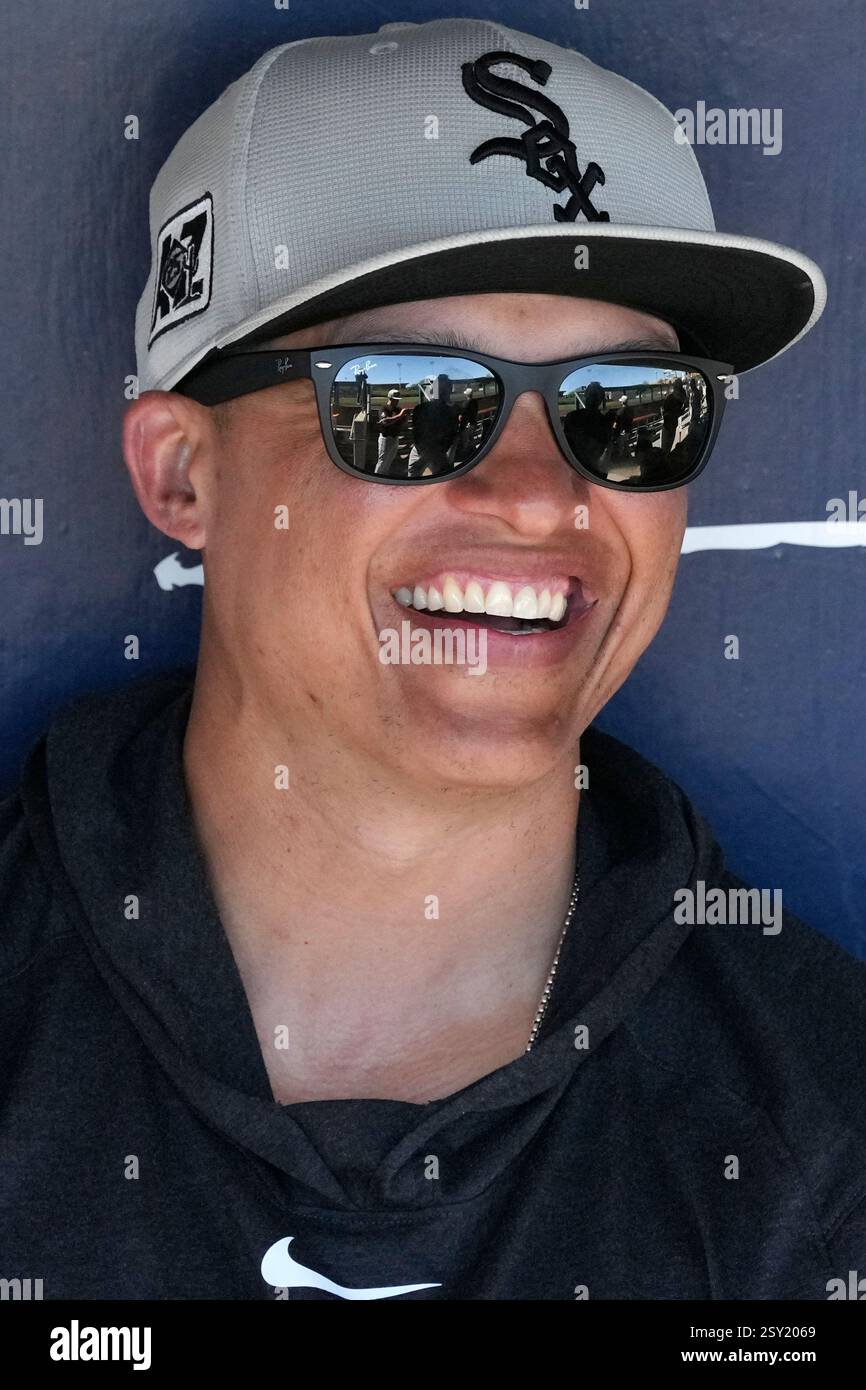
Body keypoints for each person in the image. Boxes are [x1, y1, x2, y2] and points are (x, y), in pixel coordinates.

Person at [2, 18, 862, 1303]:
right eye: (407, 400)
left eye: (625, 410)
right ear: (185, 472)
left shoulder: (820, 1129)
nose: (537, 496)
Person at [375, 388, 410, 475]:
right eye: (395, 400)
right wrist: (401, 415)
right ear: (390, 398)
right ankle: (377, 477)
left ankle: (384, 475)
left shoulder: (398, 409)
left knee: (390, 459)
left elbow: (402, 423)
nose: (397, 402)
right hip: (386, 438)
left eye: (397, 400)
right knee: (382, 460)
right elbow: (385, 421)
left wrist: (405, 418)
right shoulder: (384, 408)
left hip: (395, 437)